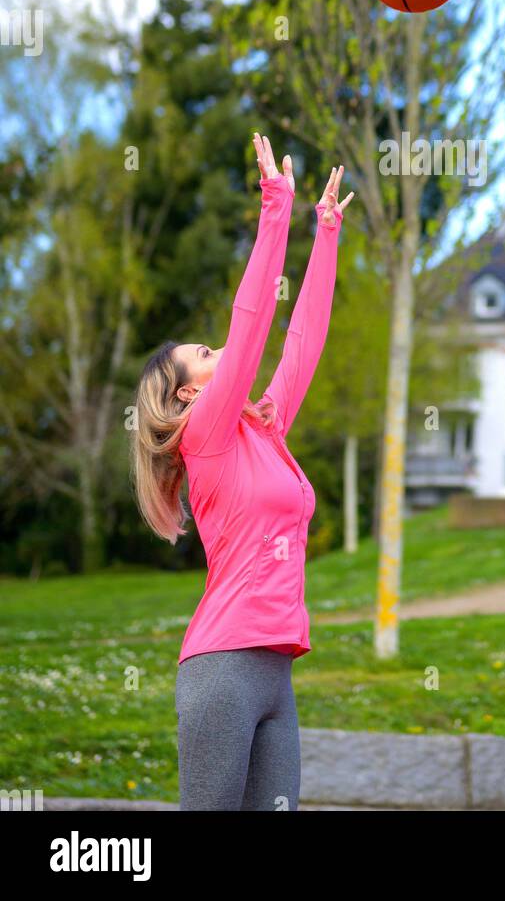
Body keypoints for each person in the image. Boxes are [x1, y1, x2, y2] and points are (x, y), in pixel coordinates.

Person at [131, 132, 353, 810]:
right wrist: (274, 207)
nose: (221, 348)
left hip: (276, 674)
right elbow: (253, 321)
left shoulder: (264, 429)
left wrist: (328, 232)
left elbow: (303, 340)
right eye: (204, 352)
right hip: (222, 670)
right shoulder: (206, 438)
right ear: (188, 393)